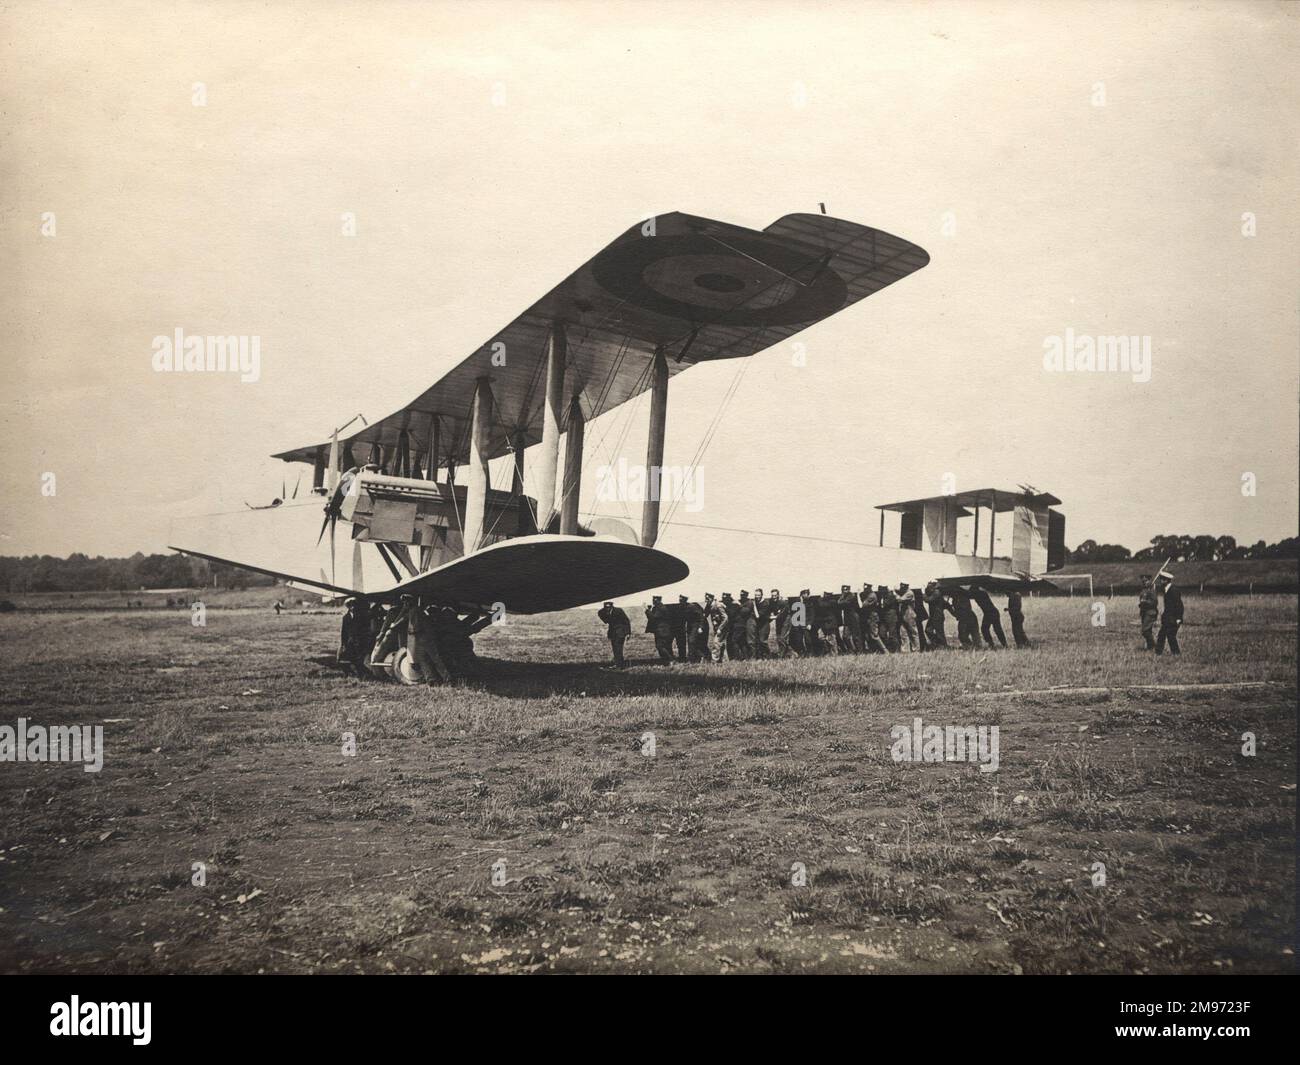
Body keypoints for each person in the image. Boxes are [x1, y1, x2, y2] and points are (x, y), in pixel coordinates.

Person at [409, 601, 452, 684]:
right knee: (429, 659)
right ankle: (436, 679)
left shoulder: (419, 613)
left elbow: (417, 628)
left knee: (430, 660)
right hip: (427, 640)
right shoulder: (429, 616)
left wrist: (412, 631)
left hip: (426, 640)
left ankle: (441, 679)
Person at [337, 598, 371, 677]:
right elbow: (344, 631)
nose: (353, 607)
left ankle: (361, 674)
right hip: (350, 641)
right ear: (348, 607)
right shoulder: (345, 617)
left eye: (354, 605)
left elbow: (365, 628)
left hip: (360, 640)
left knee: (359, 658)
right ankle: (351, 673)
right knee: (350, 658)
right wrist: (343, 643)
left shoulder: (361, 616)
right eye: (350, 605)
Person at [1155, 574, 1184, 655]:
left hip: (1173, 618)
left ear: (1166, 580)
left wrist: (1178, 618)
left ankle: (1176, 653)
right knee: (1162, 634)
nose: (1161, 581)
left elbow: (1179, 605)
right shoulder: (1166, 589)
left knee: (1170, 635)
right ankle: (1158, 652)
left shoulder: (1173, 590)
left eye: (1162, 580)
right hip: (1167, 618)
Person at [598, 600, 632, 667]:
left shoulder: (618, 611)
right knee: (615, 648)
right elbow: (600, 613)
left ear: (612, 606)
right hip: (612, 633)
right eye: (606, 607)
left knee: (618, 648)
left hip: (620, 633)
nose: (607, 608)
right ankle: (619, 664)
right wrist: (605, 611)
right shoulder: (605, 612)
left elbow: (626, 621)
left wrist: (628, 633)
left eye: (608, 607)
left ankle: (619, 665)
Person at [645, 595, 675, 663]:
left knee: (660, 646)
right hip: (660, 630)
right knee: (666, 646)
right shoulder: (657, 607)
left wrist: (647, 610)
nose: (652, 600)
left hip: (662, 630)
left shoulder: (660, 608)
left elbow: (653, 618)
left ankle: (670, 660)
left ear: (657, 600)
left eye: (654, 599)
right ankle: (667, 660)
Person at [859, 584, 887, 653]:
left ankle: (885, 651)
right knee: (870, 635)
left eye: (866, 586)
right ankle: (875, 650)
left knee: (874, 635)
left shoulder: (872, 596)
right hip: (870, 617)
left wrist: (857, 595)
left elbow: (861, 605)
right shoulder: (870, 595)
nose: (864, 588)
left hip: (872, 617)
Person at [838, 585, 863, 652]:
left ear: (849, 589)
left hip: (853, 617)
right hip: (847, 618)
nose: (844, 591)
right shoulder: (844, 596)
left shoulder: (851, 596)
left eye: (846, 589)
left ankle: (859, 651)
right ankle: (852, 649)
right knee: (845, 636)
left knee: (856, 636)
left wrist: (842, 597)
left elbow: (842, 603)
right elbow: (839, 602)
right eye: (843, 590)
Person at [705, 593, 729, 663]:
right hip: (716, 627)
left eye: (708, 598)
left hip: (722, 627)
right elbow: (705, 614)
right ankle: (724, 660)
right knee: (721, 644)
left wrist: (720, 628)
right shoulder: (709, 605)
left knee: (716, 643)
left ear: (712, 598)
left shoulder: (718, 605)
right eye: (705, 598)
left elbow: (725, 618)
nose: (706, 600)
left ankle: (714, 660)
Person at [924, 581, 949, 648]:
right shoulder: (935, 592)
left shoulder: (936, 592)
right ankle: (938, 643)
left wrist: (923, 594)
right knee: (928, 630)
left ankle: (943, 646)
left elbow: (928, 600)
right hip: (933, 616)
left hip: (937, 616)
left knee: (939, 632)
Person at [896, 583, 919, 652]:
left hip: (910, 614)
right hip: (904, 614)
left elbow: (900, 600)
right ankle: (905, 650)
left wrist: (895, 594)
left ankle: (916, 649)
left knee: (913, 632)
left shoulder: (909, 593)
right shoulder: (906, 592)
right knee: (903, 633)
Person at [772, 590, 796, 657]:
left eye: (775, 595)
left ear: (778, 595)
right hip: (779, 621)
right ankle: (783, 653)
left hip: (785, 620)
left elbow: (782, 614)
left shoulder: (783, 603)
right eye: (772, 596)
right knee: (778, 637)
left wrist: (774, 616)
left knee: (782, 638)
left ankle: (791, 652)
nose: (774, 597)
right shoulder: (773, 602)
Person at [1138, 575, 1159, 651]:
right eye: (1143, 581)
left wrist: (1146, 602)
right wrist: (1141, 604)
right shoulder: (1143, 590)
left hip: (1150, 613)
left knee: (1144, 631)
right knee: (1148, 630)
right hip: (1144, 612)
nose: (1144, 583)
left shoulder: (1152, 590)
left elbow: (1155, 602)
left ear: (1150, 580)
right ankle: (1150, 647)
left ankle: (1154, 645)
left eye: (1146, 581)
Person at [685, 597, 709, 663]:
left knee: (692, 641)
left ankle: (699, 658)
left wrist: (700, 627)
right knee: (692, 642)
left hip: (697, 625)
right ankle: (693, 658)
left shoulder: (692, 606)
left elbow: (701, 617)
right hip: (691, 626)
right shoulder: (684, 606)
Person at [878, 584, 899, 652]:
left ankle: (895, 649)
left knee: (892, 635)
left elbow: (885, 604)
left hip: (891, 617)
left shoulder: (890, 595)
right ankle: (888, 648)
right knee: (882, 634)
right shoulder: (883, 596)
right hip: (884, 617)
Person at [753, 589, 773, 658]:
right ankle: (760, 656)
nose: (757, 597)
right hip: (758, 625)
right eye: (755, 595)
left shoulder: (765, 603)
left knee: (762, 641)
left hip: (764, 625)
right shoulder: (756, 602)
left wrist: (754, 606)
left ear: (762, 595)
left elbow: (758, 616)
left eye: (758, 595)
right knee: (757, 641)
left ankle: (768, 656)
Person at [673, 595, 692, 661]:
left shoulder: (686, 606)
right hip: (679, 627)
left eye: (681, 599)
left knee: (681, 644)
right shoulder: (680, 606)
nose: (680, 599)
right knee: (681, 643)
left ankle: (682, 657)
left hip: (680, 627)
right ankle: (682, 657)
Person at [912, 587, 930, 651]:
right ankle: (923, 646)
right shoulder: (917, 590)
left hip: (917, 612)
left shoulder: (915, 592)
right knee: (919, 630)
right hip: (918, 612)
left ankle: (922, 646)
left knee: (919, 630)